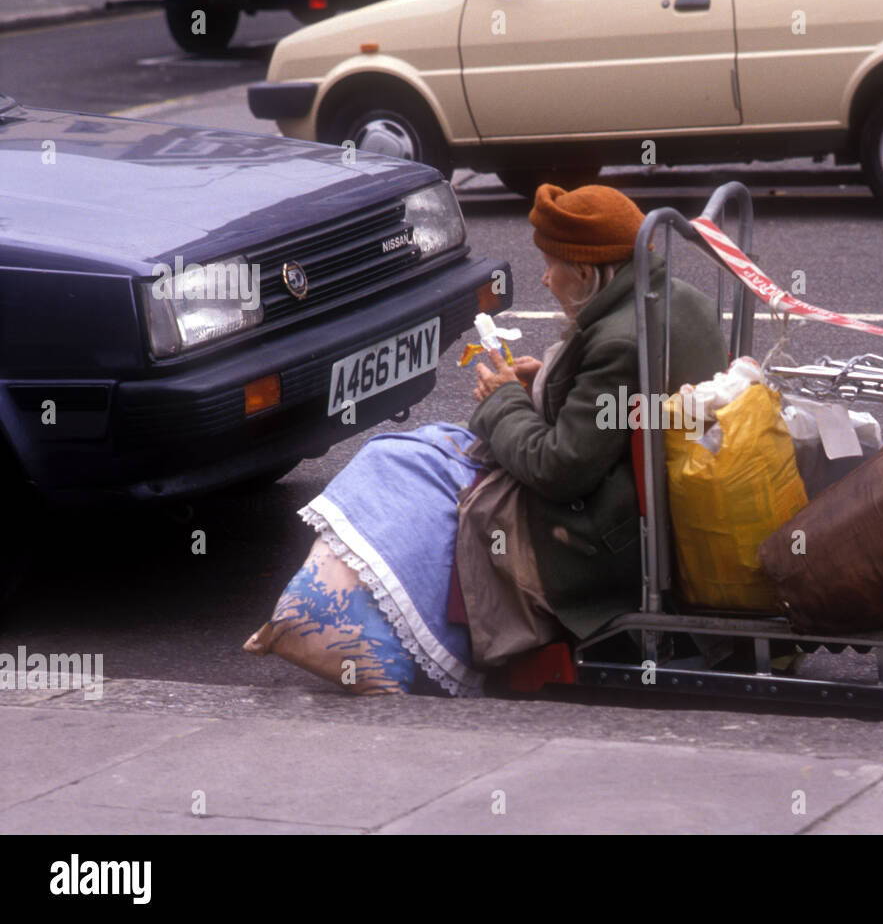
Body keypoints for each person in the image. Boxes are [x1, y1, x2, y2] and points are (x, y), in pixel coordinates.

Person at [244, 184, 728, 695]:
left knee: (401, 470)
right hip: (640, 500)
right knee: (419, 452)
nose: (544, 279)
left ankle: (402, 644)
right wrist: (548, 382)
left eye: (551, 265)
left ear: (587, 271)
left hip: (601, 537)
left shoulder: (619, 341)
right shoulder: (677, 300)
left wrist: (502, 400)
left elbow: (558, 469)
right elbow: (621, 412)